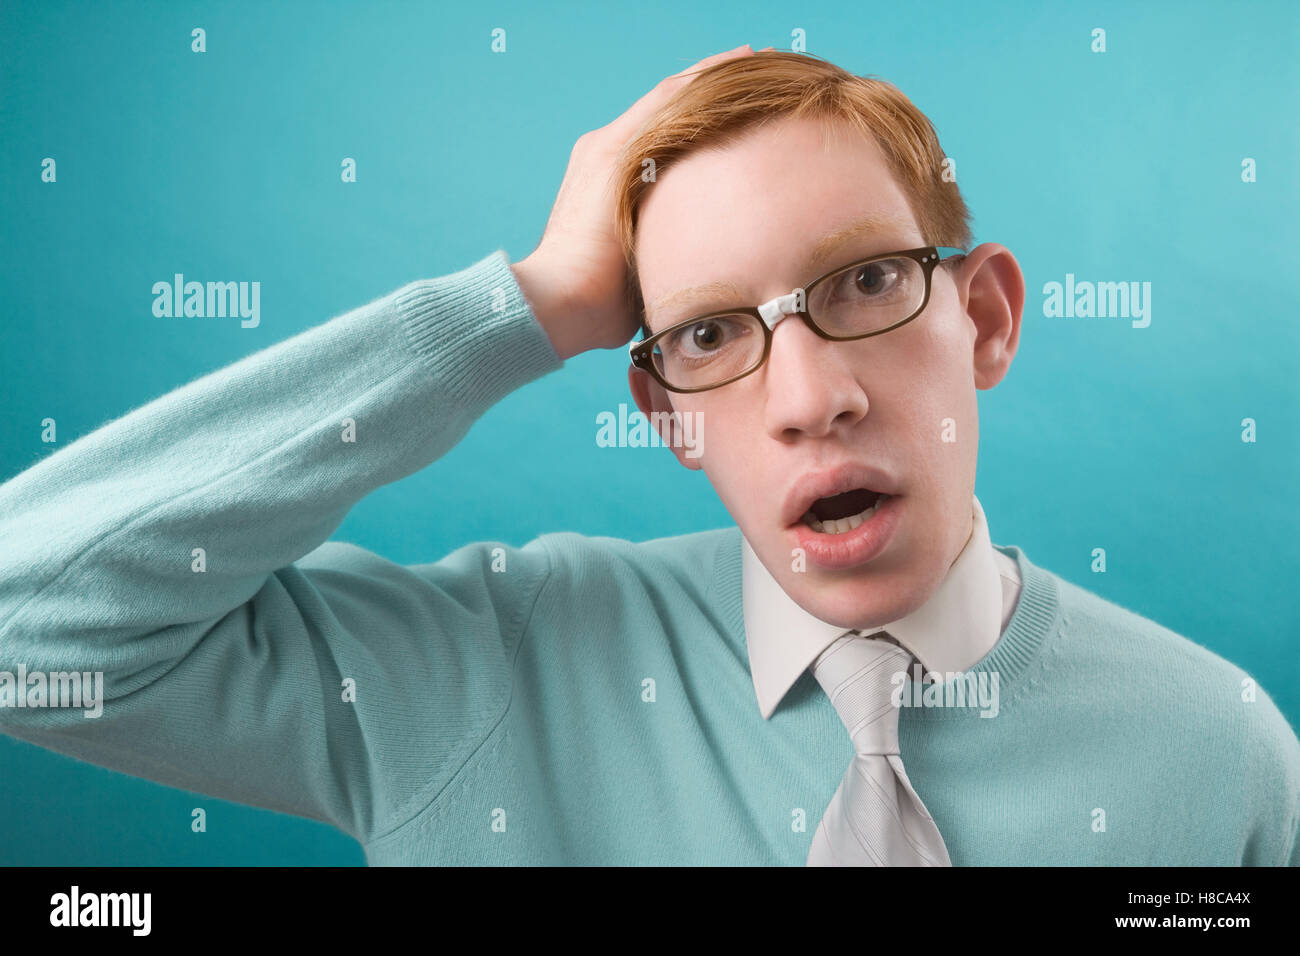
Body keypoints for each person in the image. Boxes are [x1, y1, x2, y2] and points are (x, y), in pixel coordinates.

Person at [1, 45, 1296, 866]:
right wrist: (529, 306)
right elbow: (25, 631)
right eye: (712, 332)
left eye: (863, 283)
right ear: (666, 412)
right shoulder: (482, 675)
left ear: (988, 316)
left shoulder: (1218, 749)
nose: (810, 398)